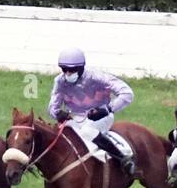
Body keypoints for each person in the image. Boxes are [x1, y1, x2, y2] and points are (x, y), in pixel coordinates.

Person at [47, 47, 139, 177]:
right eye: (64, 69)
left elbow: (127, 94)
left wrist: (107, 109)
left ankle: (123, 158)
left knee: (87, 131)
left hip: (100, 117)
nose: (67, 73)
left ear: (81, 68)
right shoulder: (60, 81)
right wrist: (57, 114)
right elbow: (52, 107)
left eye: (72, 70)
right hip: (74, 118)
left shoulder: (98, 77)